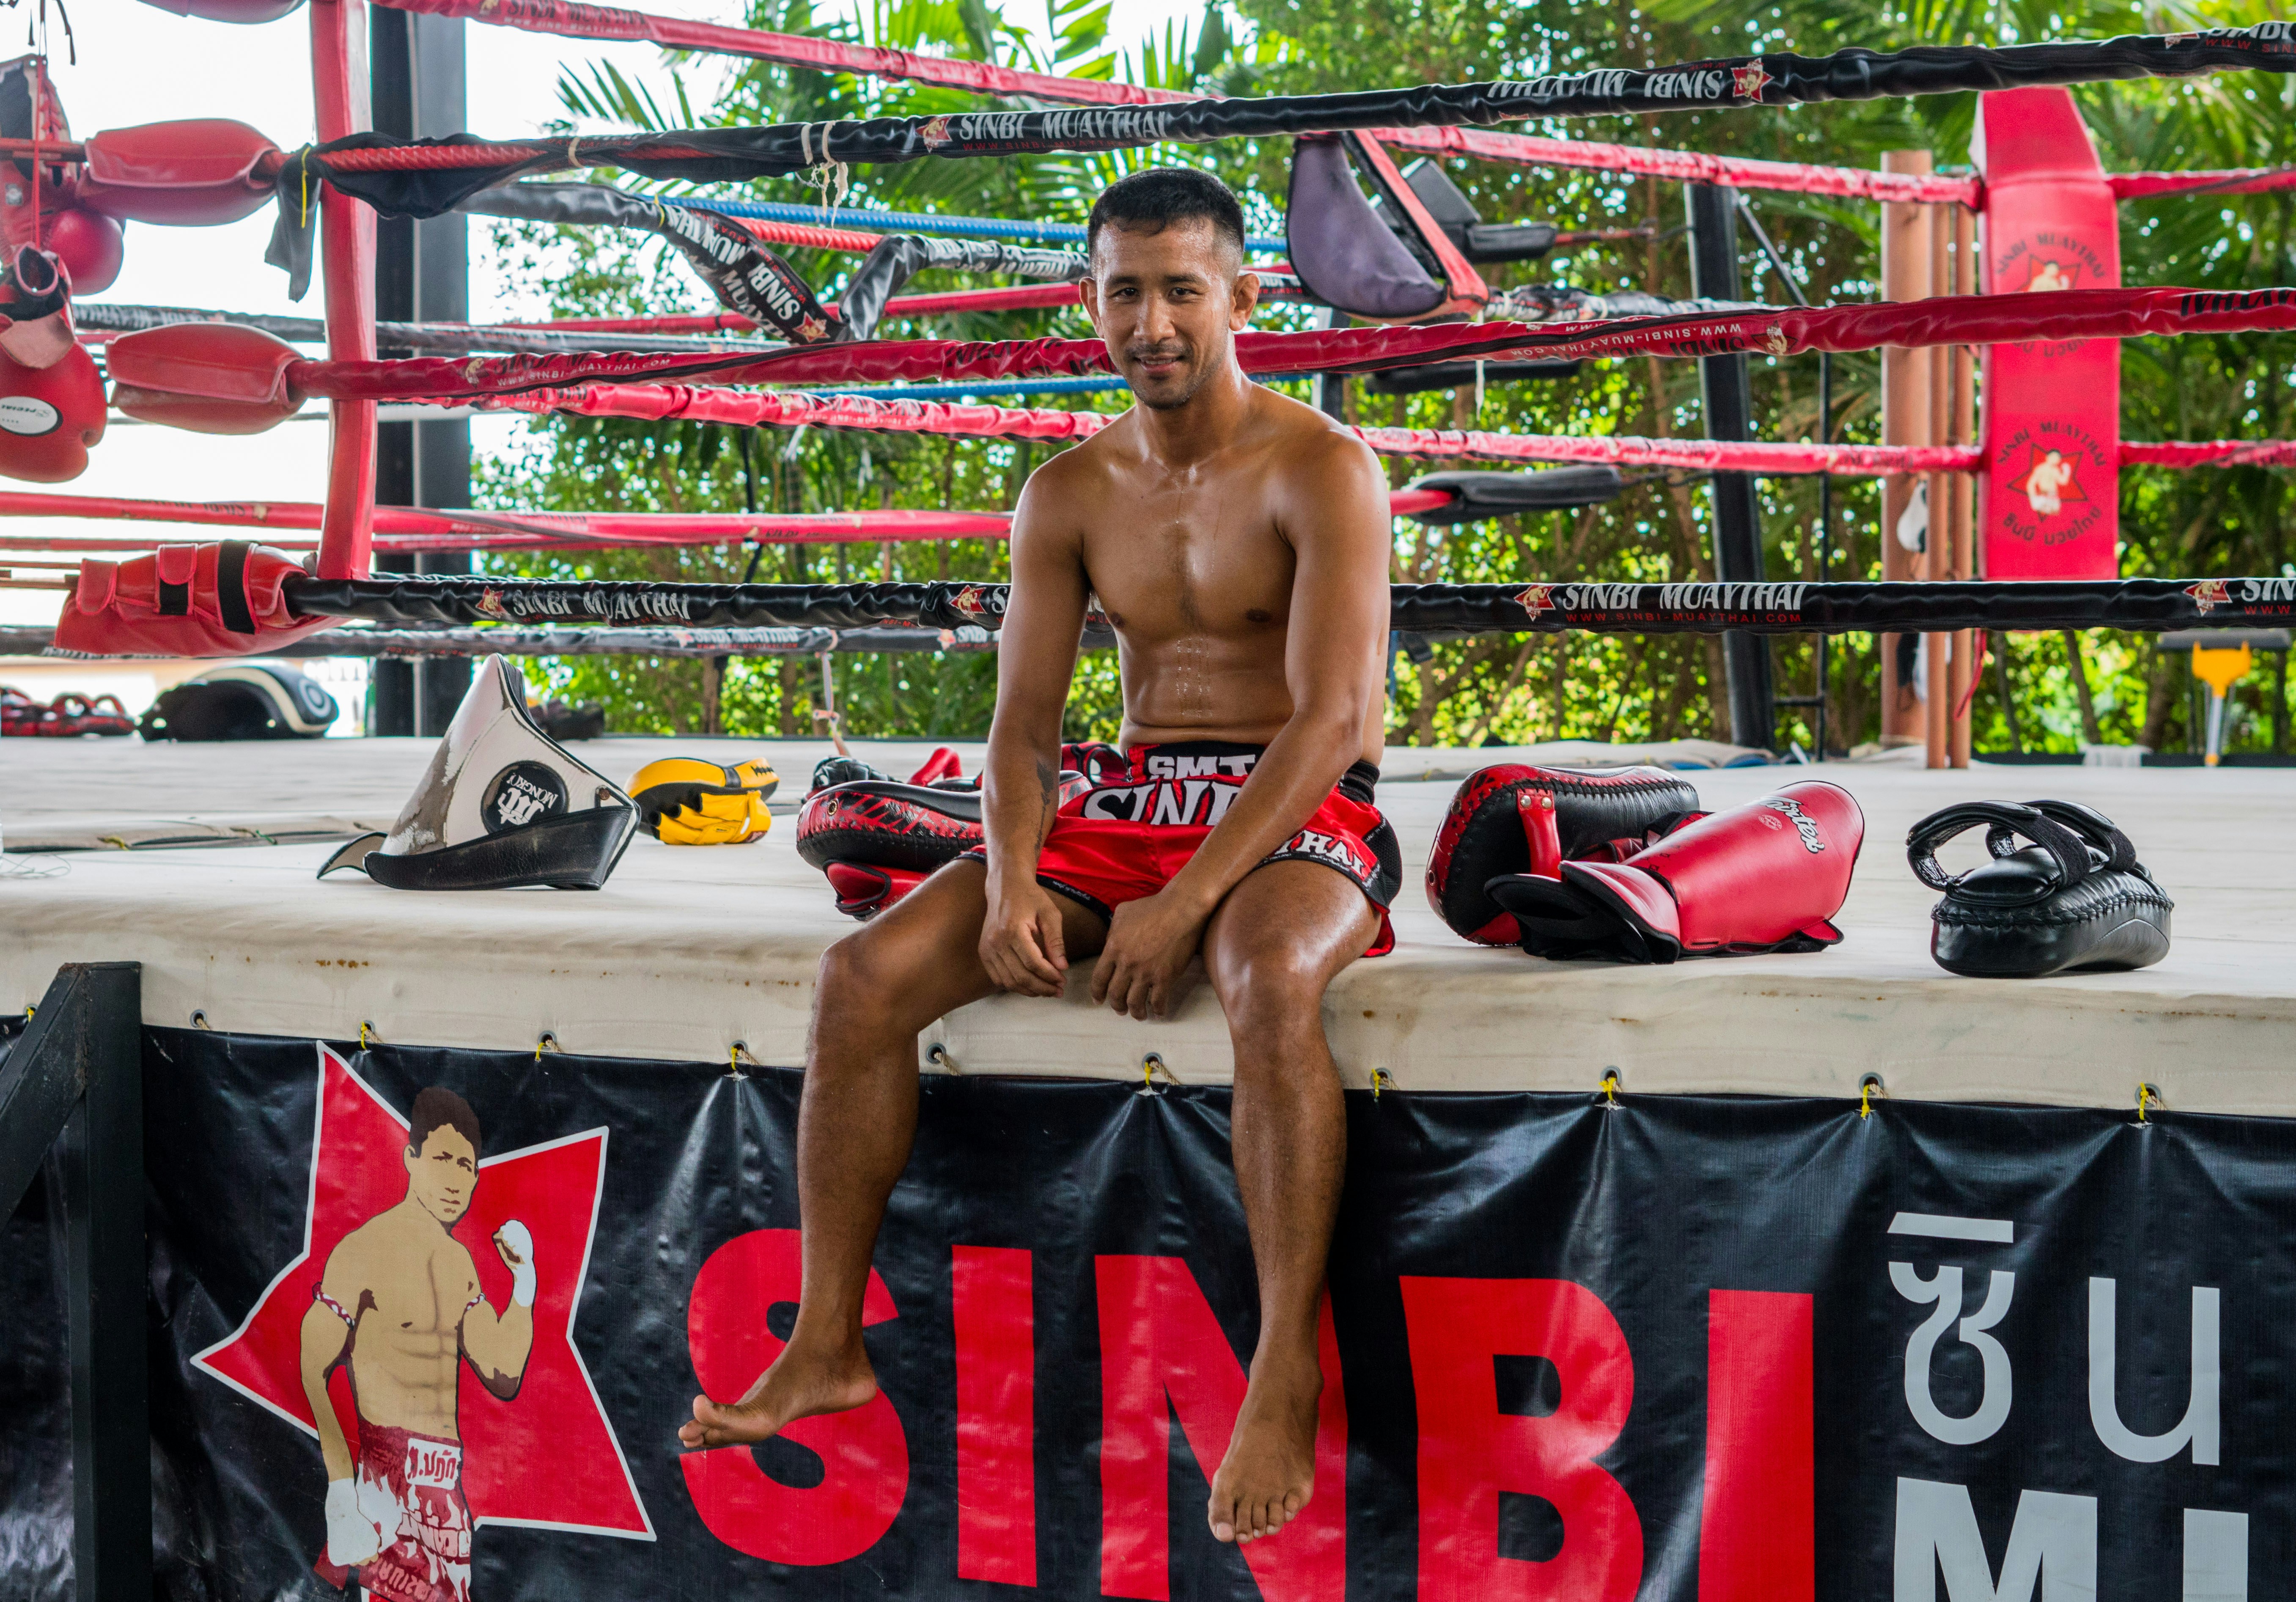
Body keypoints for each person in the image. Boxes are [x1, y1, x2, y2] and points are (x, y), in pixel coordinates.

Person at [678, 167, 1397, 1548]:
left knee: (1261, 975)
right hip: (1126, 802)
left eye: (1180, 288)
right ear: (1091, 300)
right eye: (1122, 289)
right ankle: (828, 1339)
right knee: (862, 974)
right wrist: (1012, 878)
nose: (1152, 320)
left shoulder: (1321, 466)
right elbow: (1021, 730)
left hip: (1289, 802)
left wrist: (1185, 903)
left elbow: (1332, 721)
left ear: (1240, 296)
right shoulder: (1066, 491)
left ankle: (1284, 1357)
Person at [300, 1087, 538, 1602]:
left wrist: (524, 1284)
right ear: (411, 1159)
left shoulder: (460, 1265)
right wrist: (341, 1492)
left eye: (467, 1167)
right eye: (443, 1159)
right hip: (386, 1478)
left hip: (445, 1489)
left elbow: (503, 1371)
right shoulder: (363, 1250)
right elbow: (311, 1361)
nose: (456, 1179)